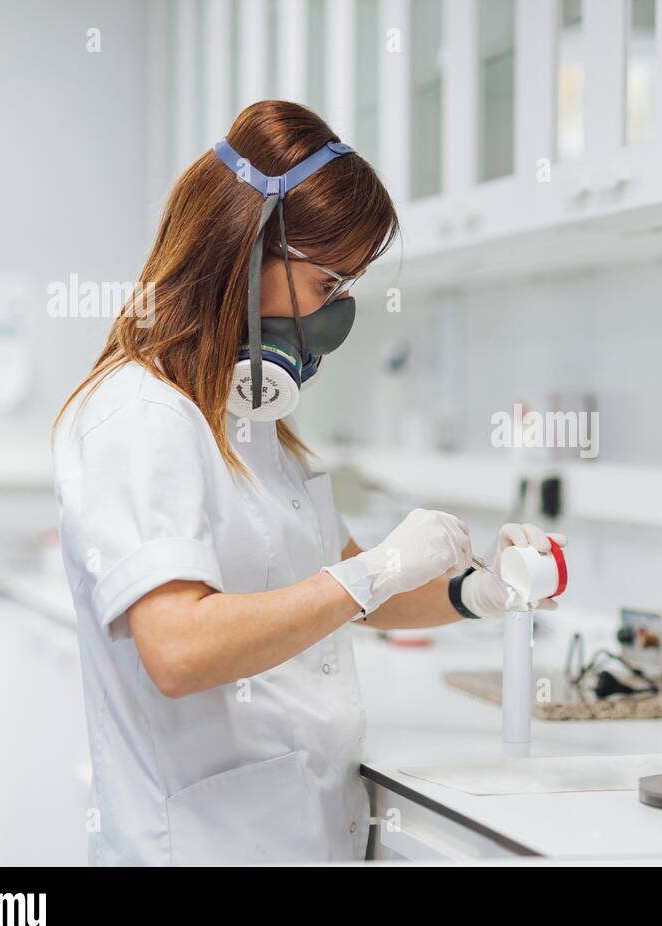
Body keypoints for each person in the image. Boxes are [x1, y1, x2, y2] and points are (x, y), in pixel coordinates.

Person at [51, 100, 565, 865]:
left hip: (297, 832)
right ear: (244, 249)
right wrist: (372, 571)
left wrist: (473, 589)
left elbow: (345, 585)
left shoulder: (246, 420)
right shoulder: (139, 415)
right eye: (328, 284)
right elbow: (179, 649)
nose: (336, 315)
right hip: (204, 846)